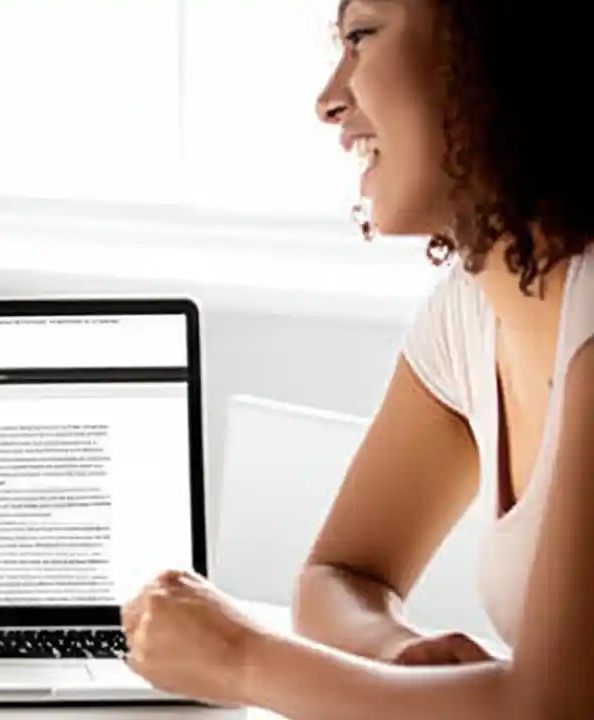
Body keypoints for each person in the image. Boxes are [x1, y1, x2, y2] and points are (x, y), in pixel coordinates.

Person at [121, 1, 594, 717]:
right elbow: (340, 573)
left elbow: (553, 707)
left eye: (362, 37)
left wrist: (240, 657)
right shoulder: (470, 309)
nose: (329, 100)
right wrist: (396, 654)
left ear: (496, 52)